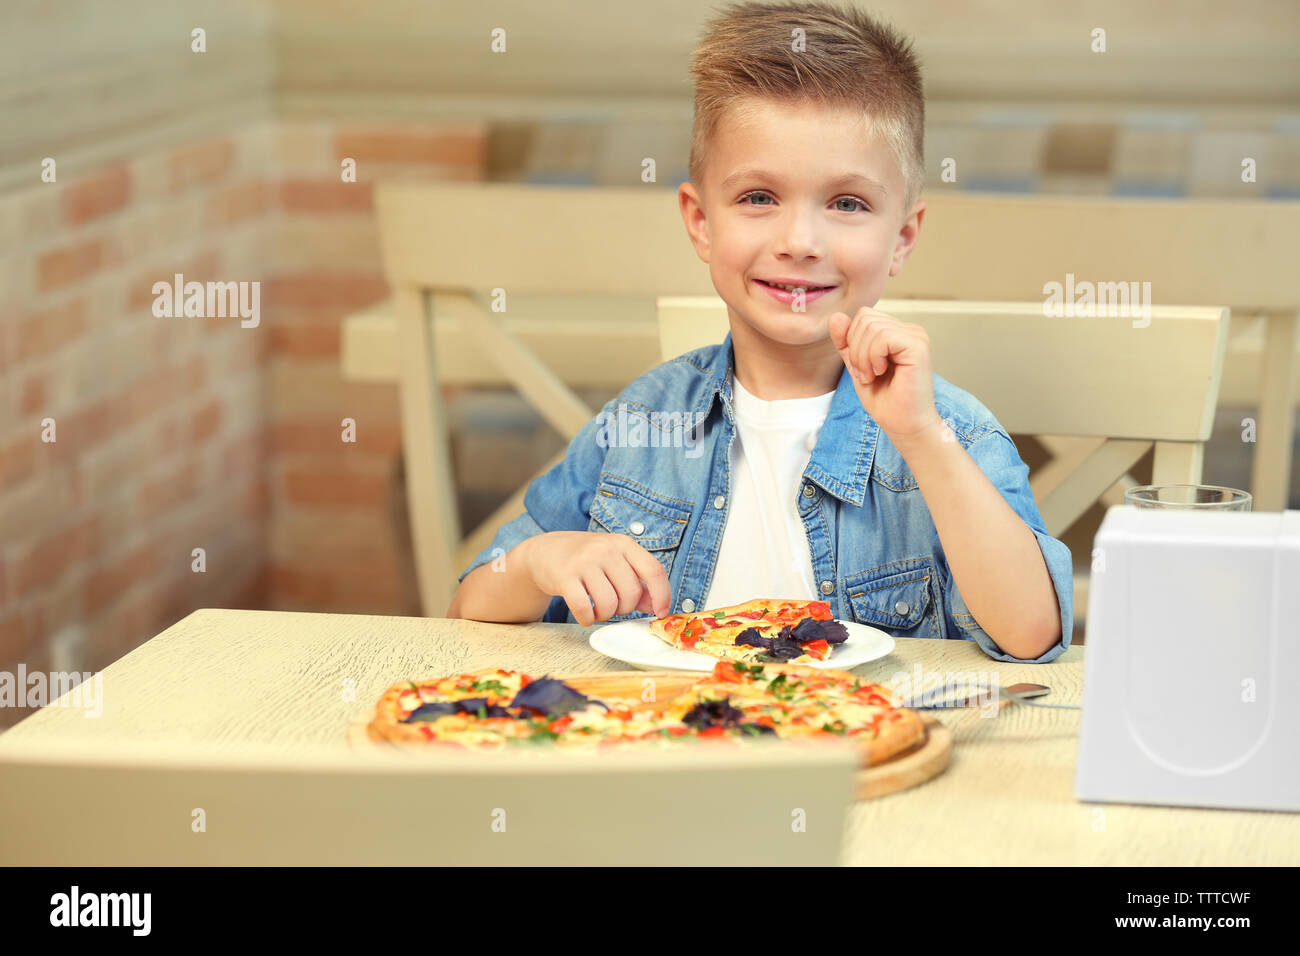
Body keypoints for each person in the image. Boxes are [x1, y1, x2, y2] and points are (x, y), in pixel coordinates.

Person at [448, 1, 1072, 663]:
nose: (799, 241)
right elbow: (469, 607)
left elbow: (1031, 633)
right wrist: (540, 560)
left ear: (903, 236)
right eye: (758, 198)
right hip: (671, 748)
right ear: (700, 222)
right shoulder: (640, 420)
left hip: (860, 753)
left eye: (847, 204)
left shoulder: (945, 429)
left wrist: (924, 439)